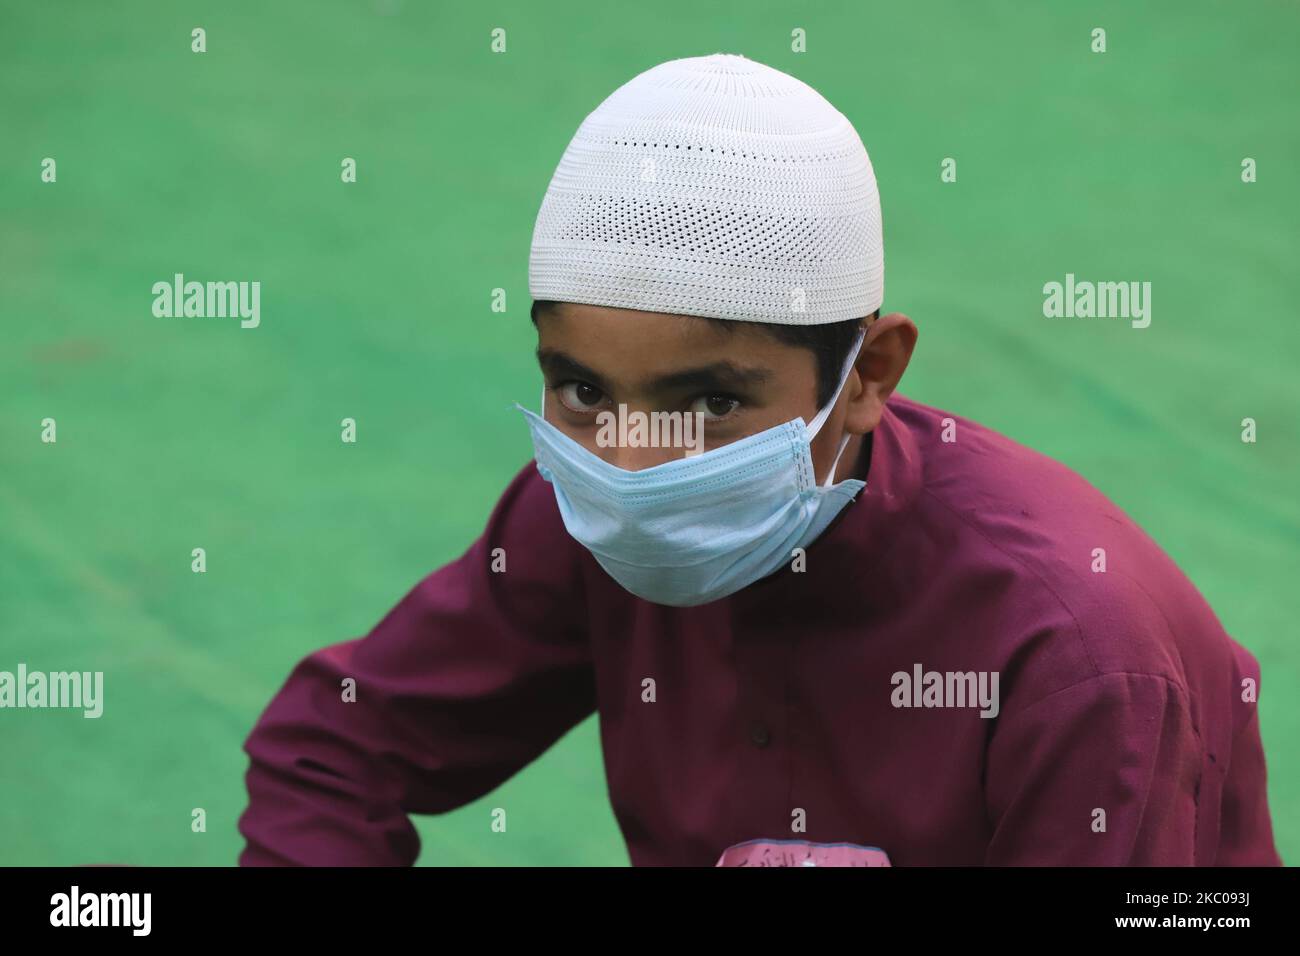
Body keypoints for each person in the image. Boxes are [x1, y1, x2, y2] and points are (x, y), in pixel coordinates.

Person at [238, 53, 1281, 866]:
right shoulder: (585, 513)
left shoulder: (1077, 658)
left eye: (710, 401)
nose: (636, 463)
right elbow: (333, 748)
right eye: (584, 389)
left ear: (869, 370)